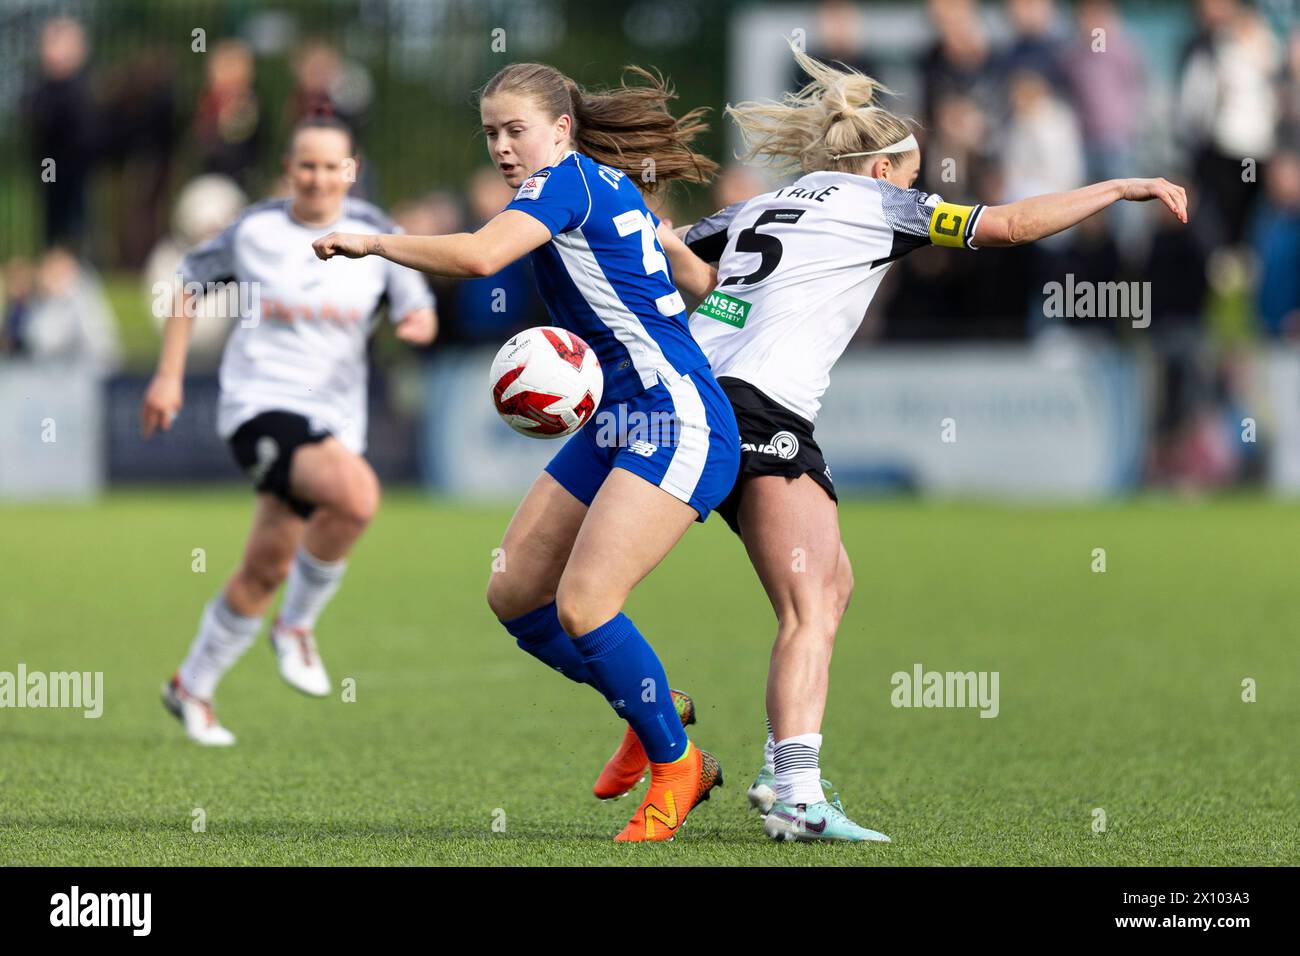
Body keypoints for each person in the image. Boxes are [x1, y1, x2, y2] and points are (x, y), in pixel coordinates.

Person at [658, 46, 1188, 842]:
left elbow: (670, 252)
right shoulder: (878, 204)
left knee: (831, 585)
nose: (916, 191)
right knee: (809, 604)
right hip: (761, 409)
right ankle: (796, 795)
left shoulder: (758, 207)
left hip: (721, 398)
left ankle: (780, 763)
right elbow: (1005, 225)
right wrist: (1117, 185)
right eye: (909, 176)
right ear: (880, 169)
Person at [313, 63, 739, 842]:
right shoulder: (602, 184)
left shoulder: (563, 184)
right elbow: (703, 287)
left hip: (675, 419)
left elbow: (480, 257)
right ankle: (652, 711)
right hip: (616, 417)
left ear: (561, 130)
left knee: (584, 604)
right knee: (515, 594)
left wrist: (371, 241)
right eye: (491, 135)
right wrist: (668, 254)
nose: (504, 148)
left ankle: (680, 765)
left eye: (516, 131)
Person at [140, 115, 437, 746]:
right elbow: (186, 286)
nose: (318, 178)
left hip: (336, 418)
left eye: (331, 166)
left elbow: (419, 306)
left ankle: (190, 685)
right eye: (306, 165)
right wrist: (168, 376)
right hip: (259, 404)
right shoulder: (255, 231)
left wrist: (417, 326)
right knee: (356, 496)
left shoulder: (379, 234)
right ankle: (296, 628)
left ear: (350, 171)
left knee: (267, 567)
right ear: (288, 167)